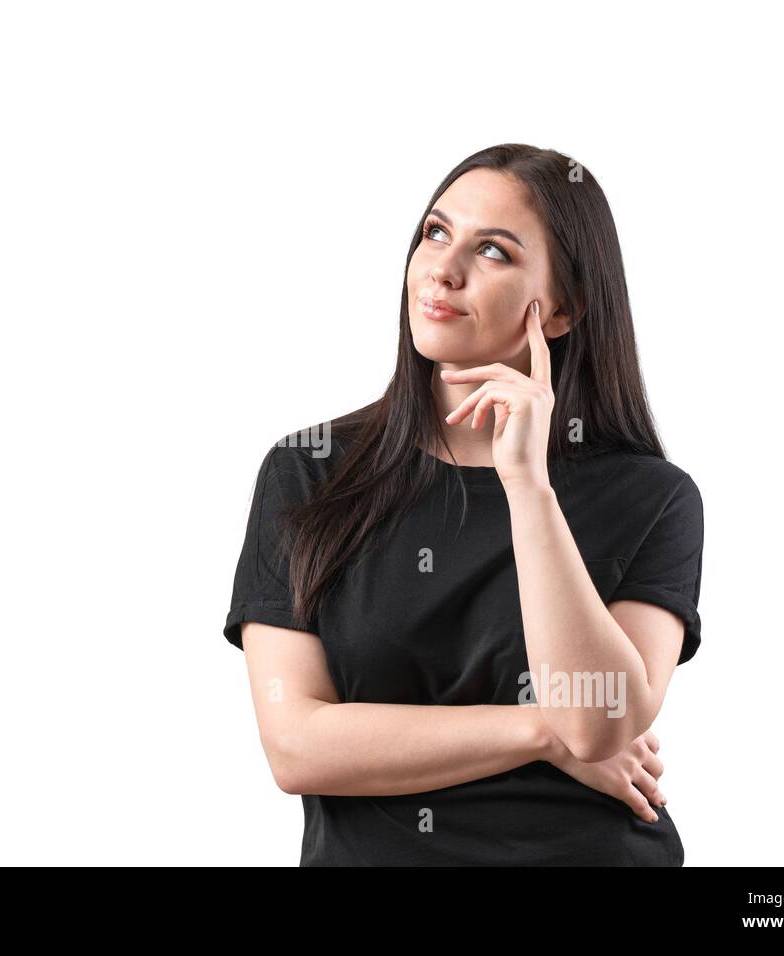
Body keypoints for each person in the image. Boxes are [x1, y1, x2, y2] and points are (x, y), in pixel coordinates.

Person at [223, 144, 705, 866]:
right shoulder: (310, 472)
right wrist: (542, 732)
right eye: (436, 233)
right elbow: (297, 747)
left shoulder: (652, 498)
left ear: (564, 310)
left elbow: (598, 719)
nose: (444, 270)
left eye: (494, 252)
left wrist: (528, 486)